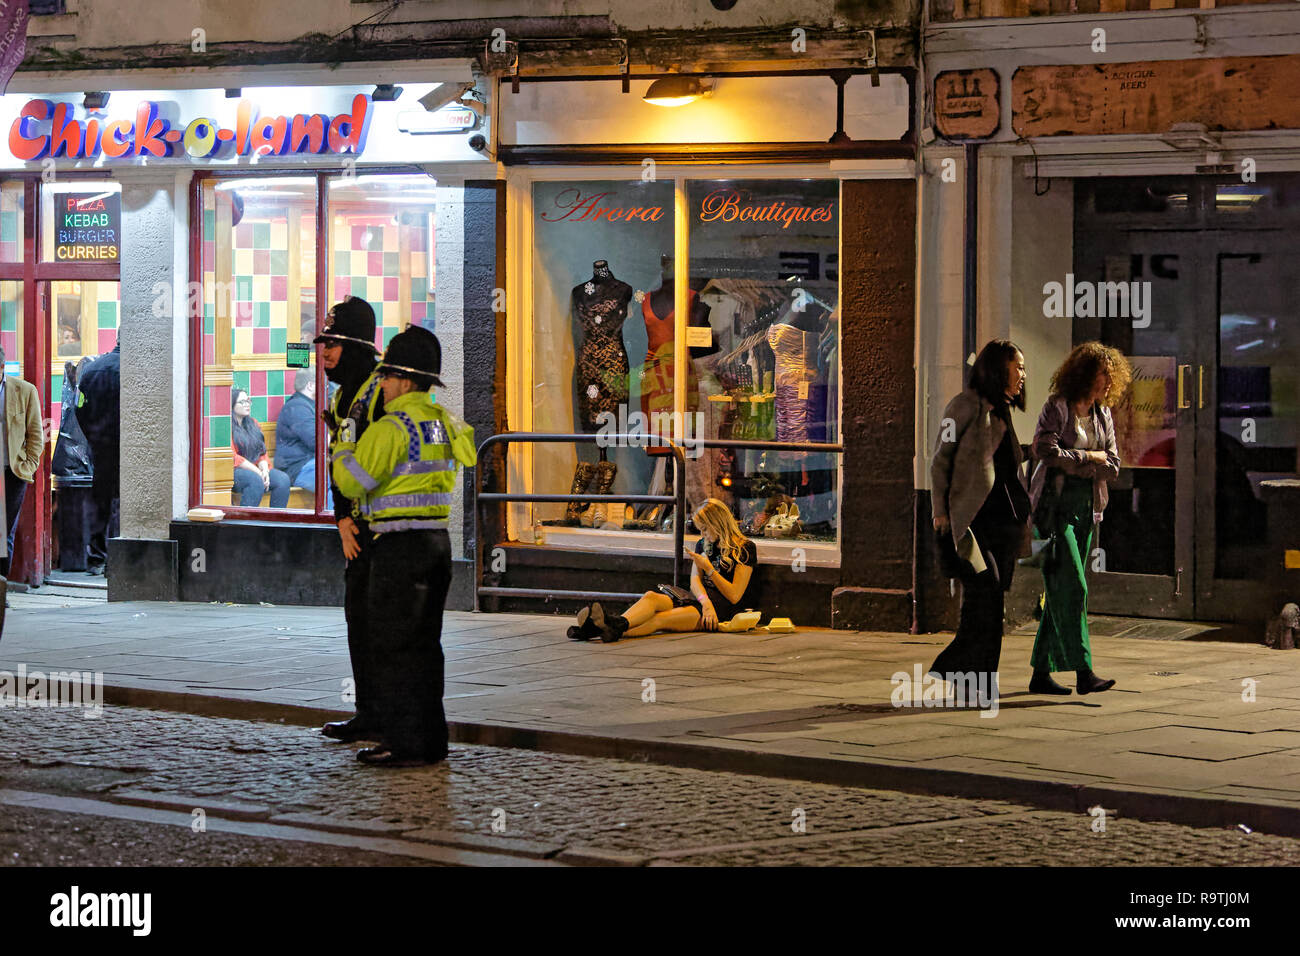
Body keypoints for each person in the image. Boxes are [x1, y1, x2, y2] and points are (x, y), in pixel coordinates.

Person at [331, 324, 476, 766]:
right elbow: (468, 451)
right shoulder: (444, 421)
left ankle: (402, 742)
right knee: (425, 647)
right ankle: (431, 741)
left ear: (408, 380)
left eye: (390, 376)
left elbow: (353, 481)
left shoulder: (394, 427)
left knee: (392, 646)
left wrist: (342, 447)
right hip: (436, 544)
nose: (384, 383)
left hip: (397, 548)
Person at [929, 340, 1032, 704]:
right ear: (998, 367)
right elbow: (940, 460)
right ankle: (963, 670)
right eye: (1017, 366)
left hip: (1004, 522)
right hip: (973, 522)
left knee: (991, 602)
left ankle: (973, 677)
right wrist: (940, 511)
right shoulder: (965, 405)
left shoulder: (1001, 410)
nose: (1023, 374)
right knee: (982, 596)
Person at [1027, 342, 1130, 696]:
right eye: (1103, 374)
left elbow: (1114, 465)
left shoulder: (1103, 415)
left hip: (1087, 507)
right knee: (1075, 588)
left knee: (1060, 591)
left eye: (1110, 375)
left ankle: (1041, 674)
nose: (1107, 381)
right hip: (1054, 509)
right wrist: (1090, 457)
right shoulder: (1057, 407)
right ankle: (1084, 672)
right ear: (1085, 374)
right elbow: (1044, 451)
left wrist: (1083, 462)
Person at [314, 297, 386, 744]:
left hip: (386, 532)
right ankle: (369, 713)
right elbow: (340, 462)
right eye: (323, 343)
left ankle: (388, 719)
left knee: (381, 627)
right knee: (359, 623)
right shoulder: (345, 395)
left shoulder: (380, 393)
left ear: (357, 346)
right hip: (357, 529)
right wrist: (342, 519)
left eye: (333, 343)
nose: (324, 353)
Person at [569, 498, 757, 643]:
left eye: (705, 529)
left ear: (718, 524)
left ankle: (600, 628)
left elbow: (734, 595)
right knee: (651, 596)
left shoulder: (744, 548)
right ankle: (608, 626)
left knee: (659, 620)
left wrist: (709, 569)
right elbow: (694, 581)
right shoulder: (704, 544)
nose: (703, 535)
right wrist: (704, 600)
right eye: (700, 530)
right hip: (698, 599)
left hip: (718, 609)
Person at [75, 341, 120, 576]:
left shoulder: (91, 370)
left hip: (100, 447)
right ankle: (117, 559)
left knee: (101, 501)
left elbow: (79, 408)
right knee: (122, 504)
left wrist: (92, 434)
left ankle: (96, 558)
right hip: (127, 446)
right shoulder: (133, 369)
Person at [0, 346, 45, 577]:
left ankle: (1, 589)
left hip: (12, 472)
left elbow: (36, 435)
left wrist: (28, 465)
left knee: (4, 531)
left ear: (2, 368)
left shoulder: (24, 391)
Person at [230, 387, 290, 508]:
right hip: (234, 471)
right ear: (231, 405)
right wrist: (258, 472)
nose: (247, 404)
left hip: (255, 467)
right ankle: (245, 523)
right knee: (255, 481)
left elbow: (261, 451)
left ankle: (275, 523)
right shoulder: (226, 425)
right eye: (242, 402)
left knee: (282, 479)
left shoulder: (253, 423)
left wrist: (265, 471)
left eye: (248, 401)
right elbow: (234, 458)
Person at [275, 369, 317, 490]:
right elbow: (317, 442)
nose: (327, 388)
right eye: (324, 384)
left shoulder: (310, 405)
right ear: (310, 385)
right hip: (298, 467)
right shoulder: (297, 406)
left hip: (311, 464)